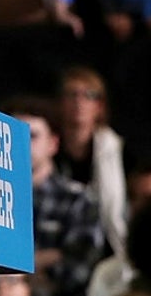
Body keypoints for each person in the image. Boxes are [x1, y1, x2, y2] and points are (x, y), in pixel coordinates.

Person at [12, 98, 108, 296]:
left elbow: (78, 270)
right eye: (12, 136)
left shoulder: (79, 200)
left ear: (53, 144)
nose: (20, 144)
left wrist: (14, 272)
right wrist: (43, 259)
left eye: (32, 136)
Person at [56, 68, 131, 259]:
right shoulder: (49, 150)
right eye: (72, 94)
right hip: (61, 243)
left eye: (89, 95)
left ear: (99, 106)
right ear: (61, 102)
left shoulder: (118, 151)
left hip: (109, 246)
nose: (79, 102)